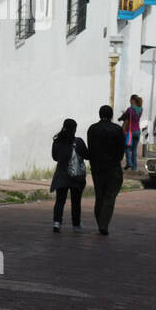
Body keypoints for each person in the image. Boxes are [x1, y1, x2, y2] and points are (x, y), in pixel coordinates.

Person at [87, 105, 126, 236]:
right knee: (110, 196)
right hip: (113, 167)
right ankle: (103, 224)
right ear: (111, 115)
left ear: (99, 114)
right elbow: (121, 150)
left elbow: (90, 149)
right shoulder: (117, 129)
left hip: (97, 168)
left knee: (99, 196)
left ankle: (100, 223)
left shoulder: (92, 129)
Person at [49, 118, 89, 233]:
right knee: (76, 201)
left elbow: (55, 157)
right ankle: (76, 224)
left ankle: (57, 223)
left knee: (60, 201)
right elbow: (87, 155)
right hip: (76, 177)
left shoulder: (57, 142)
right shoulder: (79, 142)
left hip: (61, 175)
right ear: (74, 129)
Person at [119, 95, 143, 172]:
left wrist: (120, 118)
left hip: (130, 132)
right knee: (134, 150)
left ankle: (129, 163)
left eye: (130, 99)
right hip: (138, 131)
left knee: (127, 148)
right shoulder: (141, 109)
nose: (129, 101)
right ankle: (134, 167)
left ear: (133, 100)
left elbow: (123, 117)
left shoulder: (130, 109)